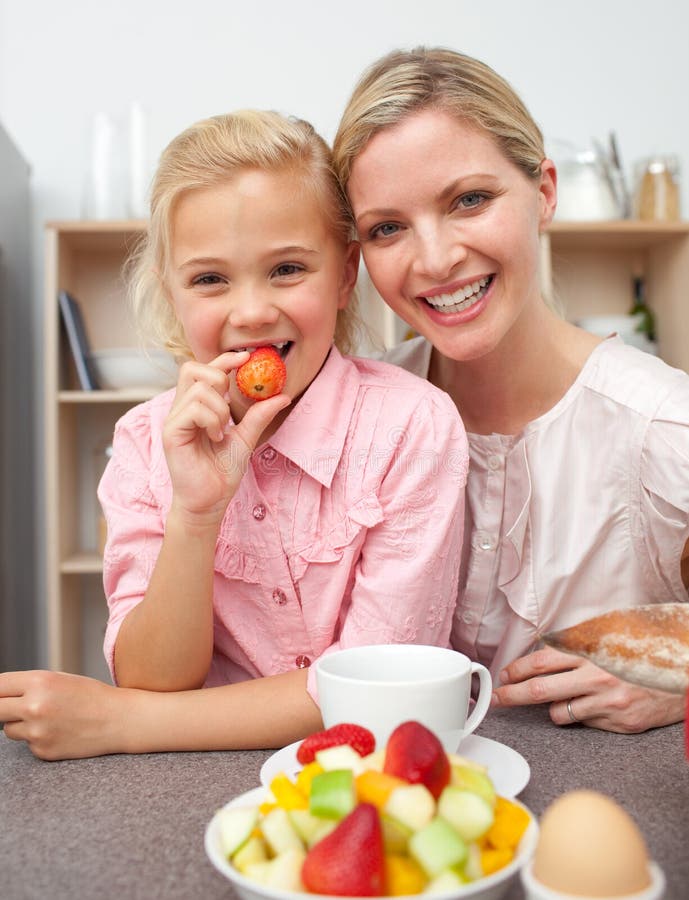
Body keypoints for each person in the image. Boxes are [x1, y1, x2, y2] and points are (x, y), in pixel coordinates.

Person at [0, 109, 468, 760]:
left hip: (370, 776)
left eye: (286, 270)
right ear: (173, 293)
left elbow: (375, 686)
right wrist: (195, 513)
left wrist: (124, 724)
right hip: (196, 785)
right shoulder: (142, 443)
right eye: (210, 279)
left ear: (344, 274)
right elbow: (151, 679)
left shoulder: (410, 425)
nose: (250, 312)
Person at [332, 46, 689, 734]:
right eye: (387, 228)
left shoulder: (660, 427)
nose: (434, 259)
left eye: (469, 200)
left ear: (544, 192)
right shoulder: (355, 412)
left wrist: (679, 672)